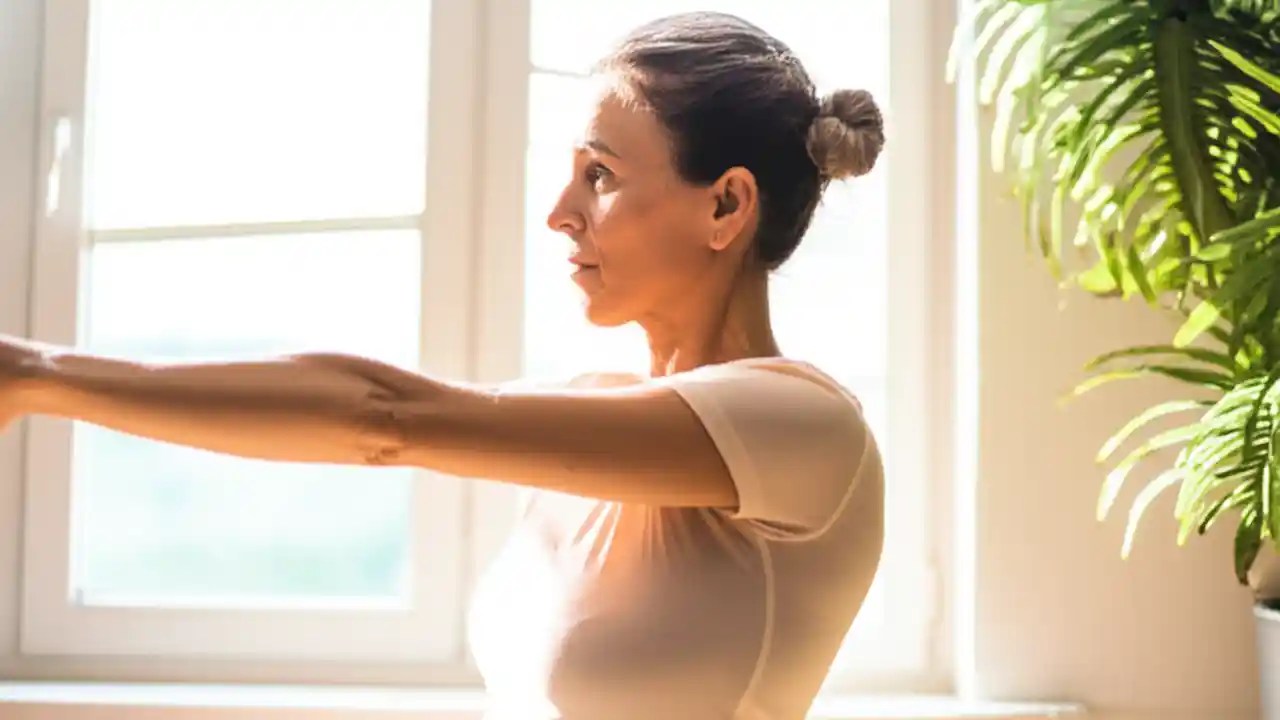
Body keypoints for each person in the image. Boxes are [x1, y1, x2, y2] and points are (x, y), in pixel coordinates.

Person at [0, 11, 886, 720]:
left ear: (726, 204)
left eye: (601, 177)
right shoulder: (595, 412)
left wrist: (40, 374)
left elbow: (383, 419)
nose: (559, 213)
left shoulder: (803, 426)